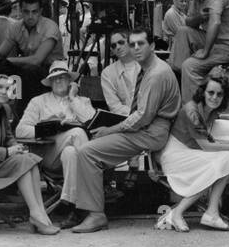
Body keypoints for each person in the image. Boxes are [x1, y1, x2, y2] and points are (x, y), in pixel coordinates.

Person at [67, 29, 181, 233]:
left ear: (152, 46)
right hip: (147, 129)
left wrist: (110, 130)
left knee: (87, 151)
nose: (136, 48)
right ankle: (95, 204)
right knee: (92, 144)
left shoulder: (156, 74)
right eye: (133, 43)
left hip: (151, 132)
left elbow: (142, 116)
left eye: (141, 44)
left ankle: (95, 215)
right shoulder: (147, 69)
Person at [0, 74, 61, 234]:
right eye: (0, 87)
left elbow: (9, 137)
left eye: (8, 88)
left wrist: (17, 147)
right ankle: (35, 214)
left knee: (30, 158)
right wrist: (8, 152)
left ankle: (40, 213)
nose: (4, 91)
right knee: (21, 162)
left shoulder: (5, 108)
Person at [159, 74, 229, 232]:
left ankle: (211, 212)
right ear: (203, 92)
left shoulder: (208, 109)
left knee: (226, 160)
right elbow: (206, 146)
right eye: (211, 93)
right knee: (226, 159)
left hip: (189, 151)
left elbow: (213, 117)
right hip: (175, 155)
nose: (215, 97)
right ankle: (181, 212)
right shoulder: (192, 111)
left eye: (219, 94)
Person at [13, 59, 95, 210]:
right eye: (54, 78)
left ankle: (71, 202)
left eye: (62, 77)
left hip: (72, 155)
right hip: (48, 154)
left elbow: (91, 122)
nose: (58, 81)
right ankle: (90, 191)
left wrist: (72, 98)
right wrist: (49, 129)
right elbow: (20, 130)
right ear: (49, 82)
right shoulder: (38, 101)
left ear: (70, 80)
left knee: (70, 152)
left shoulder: (83, 101)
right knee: (77, 133)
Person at [0, 0, 64, 114]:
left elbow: (37, 60)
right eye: (26, 12)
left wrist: (9, 61)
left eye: (34, 12)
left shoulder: (50, 27)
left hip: (52, 71)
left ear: (41, 11)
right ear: (21, 11)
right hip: (28, 68)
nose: (30, 16)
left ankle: (23, 115)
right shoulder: (16, 27)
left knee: (28, 71)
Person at [99, 30, 139, 115]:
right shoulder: (108, 73)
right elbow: (114, 106)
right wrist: (136, 115)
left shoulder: (146, 65)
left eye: (121, 42)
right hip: (125, 121)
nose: (118, 47)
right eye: (113, 45)